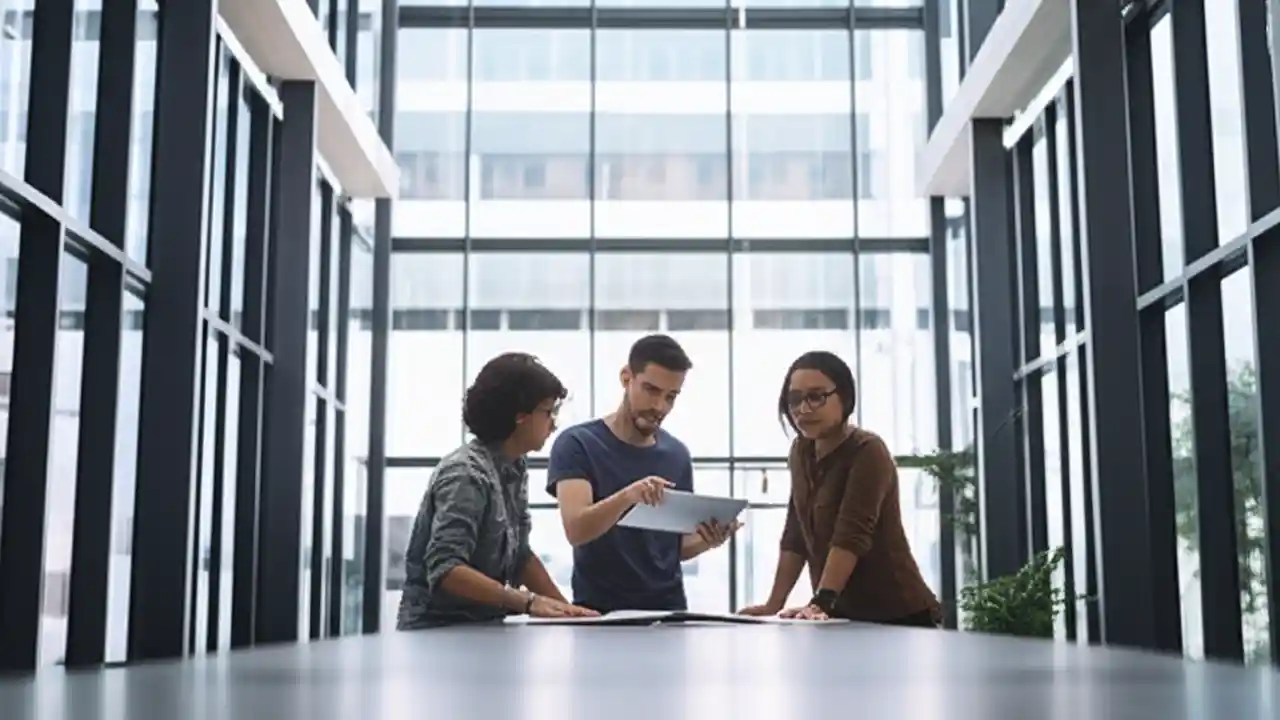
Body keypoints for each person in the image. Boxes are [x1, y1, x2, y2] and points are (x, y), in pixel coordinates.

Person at [738, 350, 941, 627]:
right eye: (795, 399)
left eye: (816, 396)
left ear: (845, 397)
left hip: (899, 614)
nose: (803, 409)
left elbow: (851, 535)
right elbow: (795, 534)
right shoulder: (800, 452)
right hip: (842, 616)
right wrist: (774, 603)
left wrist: (820, 602)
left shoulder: (868, 451)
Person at [397, 352, 598, 629]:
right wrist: (527, 602)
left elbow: (520, 556)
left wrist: (568, 611)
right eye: (548, 411)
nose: (554, 422)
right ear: (521, 416)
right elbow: (446, 569)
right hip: (438, 632)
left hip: (484, 628)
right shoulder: (465, 474)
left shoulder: (514, 466)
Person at [547, 334, 740, 613]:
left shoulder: (677, 454)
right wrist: (629, 496)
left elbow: (673, 549)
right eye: (651, 390)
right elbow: (577, 530)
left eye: (670, 397)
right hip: (600, 614)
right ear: (627, 378)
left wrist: (708, 540)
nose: (660, 406)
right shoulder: (578, 443)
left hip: (669, 612)